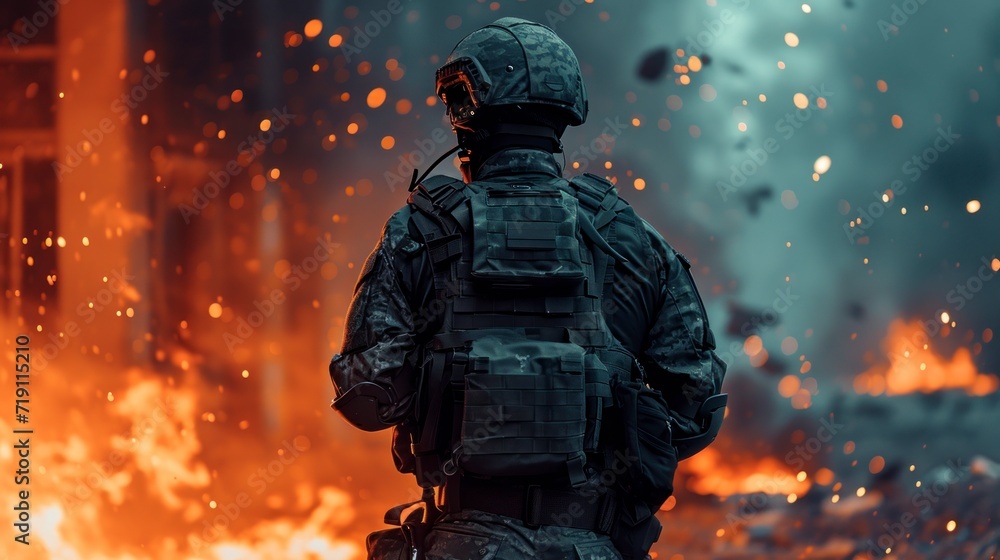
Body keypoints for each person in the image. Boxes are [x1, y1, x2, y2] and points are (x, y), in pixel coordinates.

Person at [329, 17, 727, 560]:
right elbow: (696, 403)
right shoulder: (628, 237)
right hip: (595, 544)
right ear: (564, 111)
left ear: (469, 113)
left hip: (465, 542)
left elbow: (368, 398)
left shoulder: (419, 231)